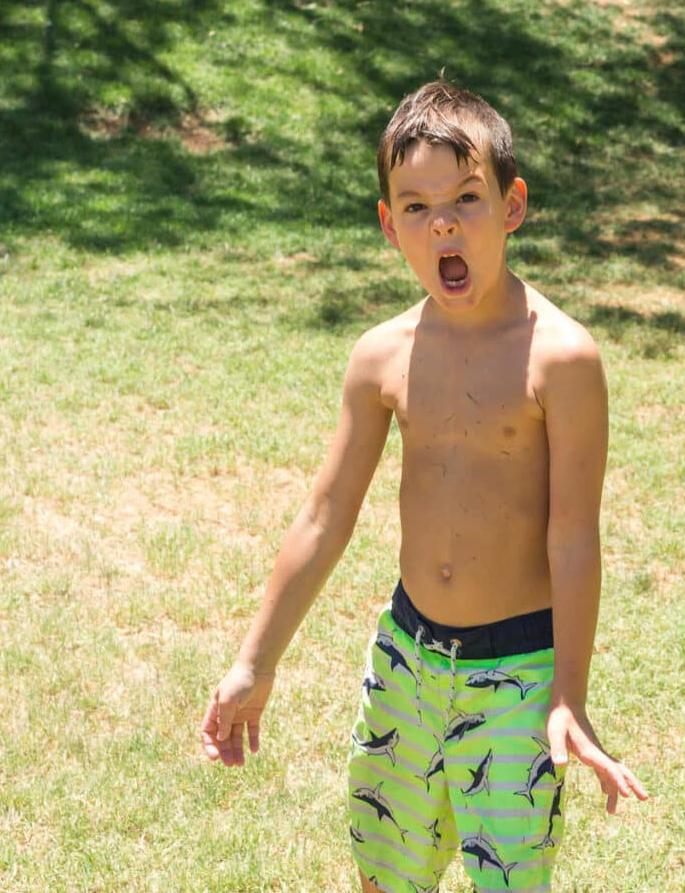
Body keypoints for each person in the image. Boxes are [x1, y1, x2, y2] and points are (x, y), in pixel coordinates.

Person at [200, 79, 648, 892]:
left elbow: (573, 536)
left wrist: (568, 696)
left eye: (466, 198)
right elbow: (325, 516)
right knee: (385, 874)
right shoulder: (382, 356)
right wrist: (253, 664)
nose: (443, 223)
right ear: (388, 225)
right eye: (417, 207)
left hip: (517, 673)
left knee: (510, 879)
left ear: (512, 206)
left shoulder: (562, 359)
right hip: (406, 658)